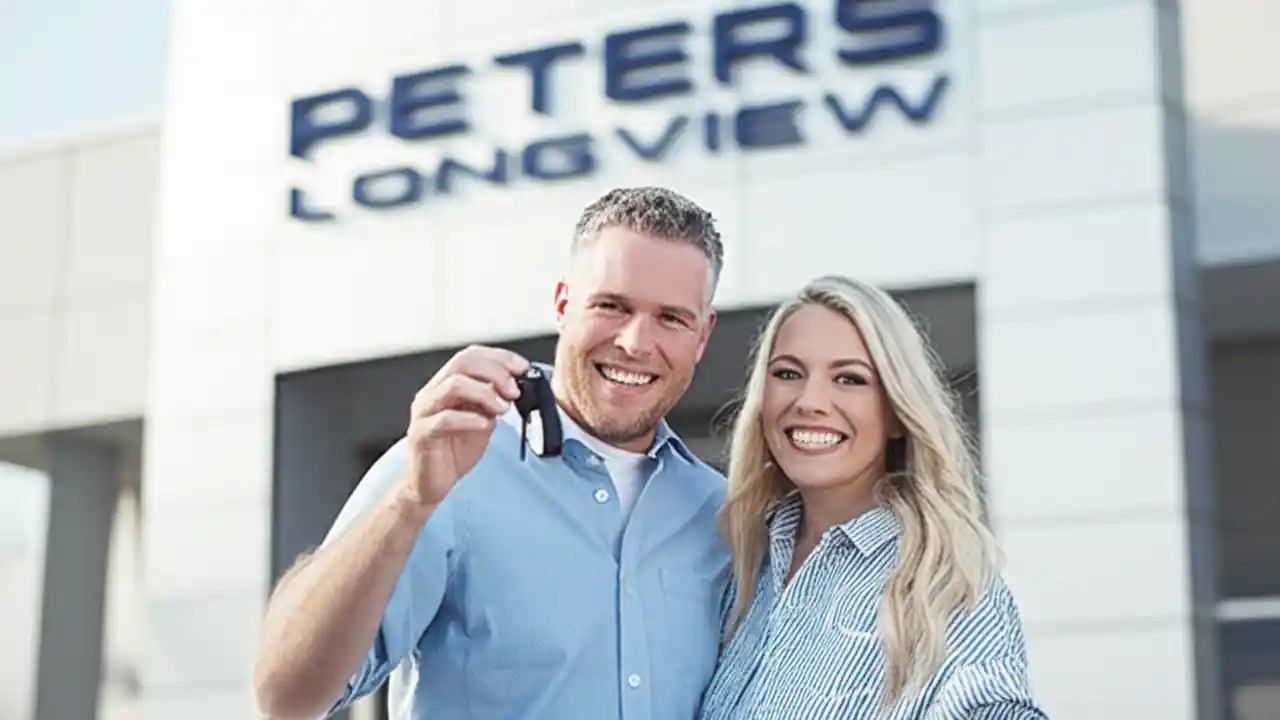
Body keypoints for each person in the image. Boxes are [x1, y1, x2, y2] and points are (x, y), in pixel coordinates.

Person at [251, 187, 731, 720]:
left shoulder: (723, 517)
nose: (636, 343)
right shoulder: (450, 463)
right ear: (563, 303)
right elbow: (286, 698)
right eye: (611, 306)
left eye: (671, 318)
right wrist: (409, 500)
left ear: (703, 335)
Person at [698, 276, 1047, 719]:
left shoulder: (943, 586)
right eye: (788, 373)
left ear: (898, 413)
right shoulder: (738, 569)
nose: (810, 401)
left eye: (850, 378)